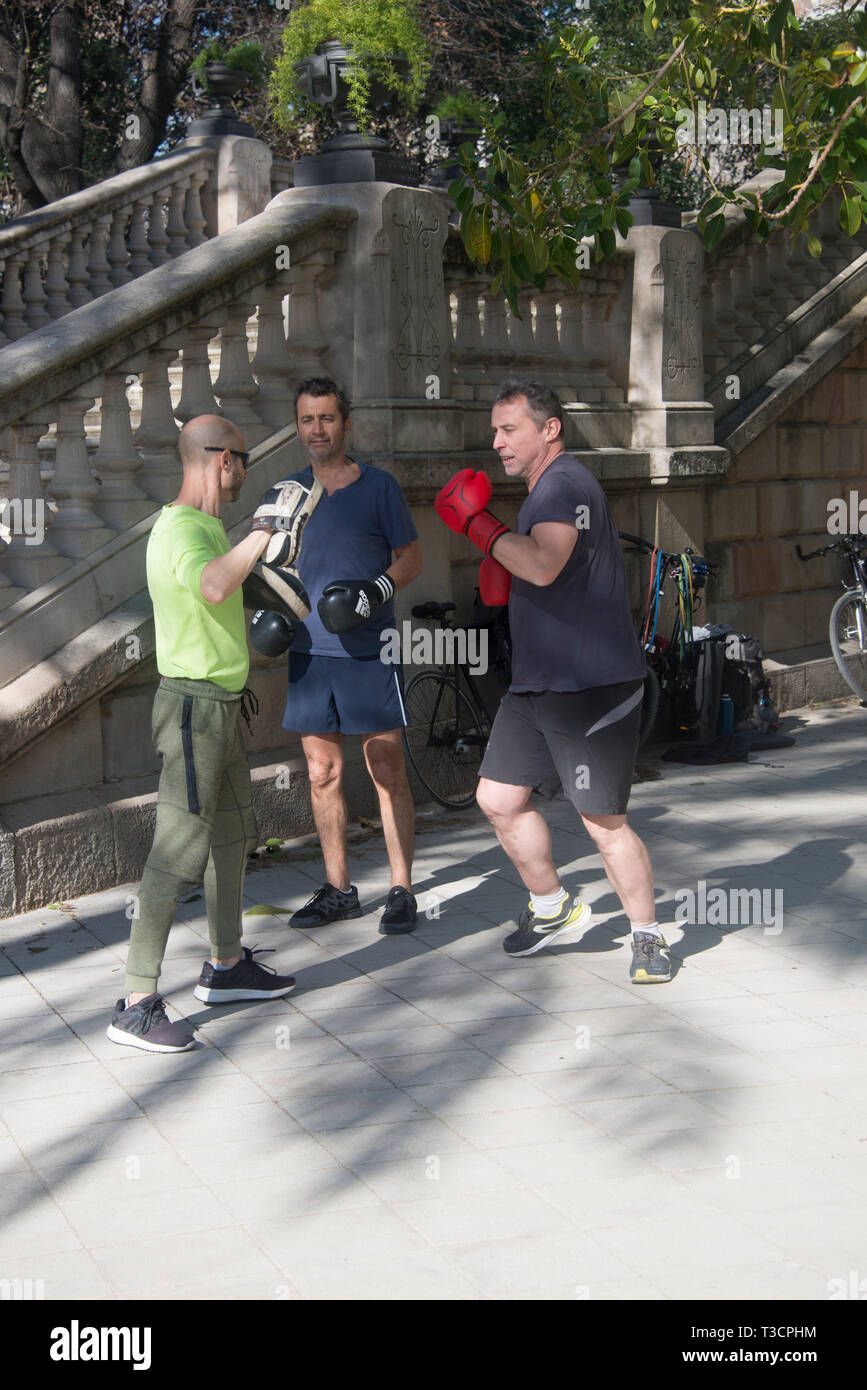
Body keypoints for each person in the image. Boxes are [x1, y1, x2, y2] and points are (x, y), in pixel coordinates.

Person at [434, 381, 670, 984]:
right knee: (498, 797)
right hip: (539, 684)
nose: (497, 443)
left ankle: (647, 938)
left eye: (509, 430)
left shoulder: (563, 485)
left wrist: (481, 529)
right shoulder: (548, 490)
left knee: (602, 823)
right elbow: (538, 570)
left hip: (591, 686)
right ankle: (552, 909)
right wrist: (500, 559)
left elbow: (543, 563)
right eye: (495, 431)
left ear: (549, 430)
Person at [107, 414, 321, 1053]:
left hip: (223, 706)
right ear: (220, 460)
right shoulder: (178, 530)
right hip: (194, 712)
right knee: (177, 850)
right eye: (243, 461)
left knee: (233, 837)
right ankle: (136, 1000)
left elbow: (231, 588)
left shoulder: (204, 529)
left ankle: (225, 966)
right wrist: (261, 531)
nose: (245, 474)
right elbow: (213, 582)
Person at [273, 377, 424, 934]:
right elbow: (272, 565)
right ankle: (338, 889)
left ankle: (401, 888)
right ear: (298, 426)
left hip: (369, 649)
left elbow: (411, 558)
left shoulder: (379, 487)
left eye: (327, 418)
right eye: (308, 419)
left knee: (386, 767)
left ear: (346, 424)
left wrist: (375, 591)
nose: (317, 429)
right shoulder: (286, 493)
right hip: (311, 652)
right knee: (320, 773)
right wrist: (270, 609)